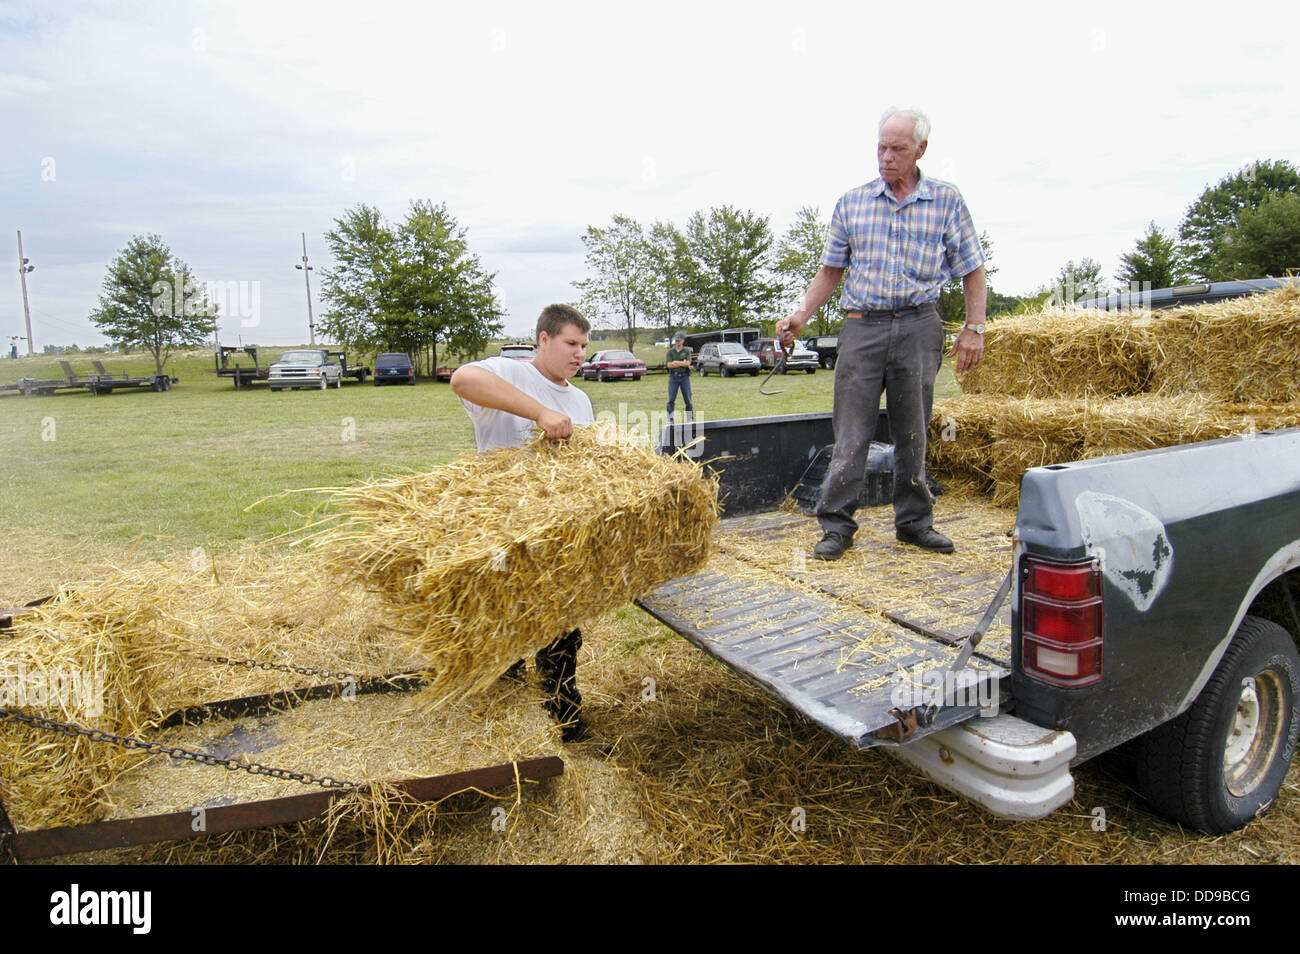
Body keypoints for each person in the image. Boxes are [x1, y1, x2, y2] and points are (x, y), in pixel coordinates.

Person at [776, 106, 987, 560]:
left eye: (898, 148)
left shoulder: (946, 200)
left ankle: (913, 523)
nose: (886, 157)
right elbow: (830, 270)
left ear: (921, 150)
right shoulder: (852, 203)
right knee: (851, 431)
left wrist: (974, 328)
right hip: (861, 328)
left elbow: (973, 268)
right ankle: (837, 525)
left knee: (914, 429)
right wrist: (801, 315)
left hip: (918, 324)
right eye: (881, 147)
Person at [450, 303, 596, 742]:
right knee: (503, 627)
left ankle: (564, 716)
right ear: (545, 340)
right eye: (571, 344)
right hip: (502, 529)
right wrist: (540, 414)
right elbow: (462, 379)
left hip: (556, 534)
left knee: (562, 631)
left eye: (585, 346)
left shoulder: (581, 400)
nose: (579, 355)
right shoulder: (509, 373)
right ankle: (506, 715)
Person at [665, 331, 694, 423]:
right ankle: (670, 418)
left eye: (679, 340)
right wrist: (681, 363)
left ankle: (690, 418)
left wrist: (676, 362)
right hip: (673, 377)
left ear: (683, 341)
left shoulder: (687, 351)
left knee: (688, 399)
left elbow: (688, 363)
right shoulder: (670, 352)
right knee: (671, 399)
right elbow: (669, 365)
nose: (677, 342)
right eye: (676, 340)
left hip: (684, 377)